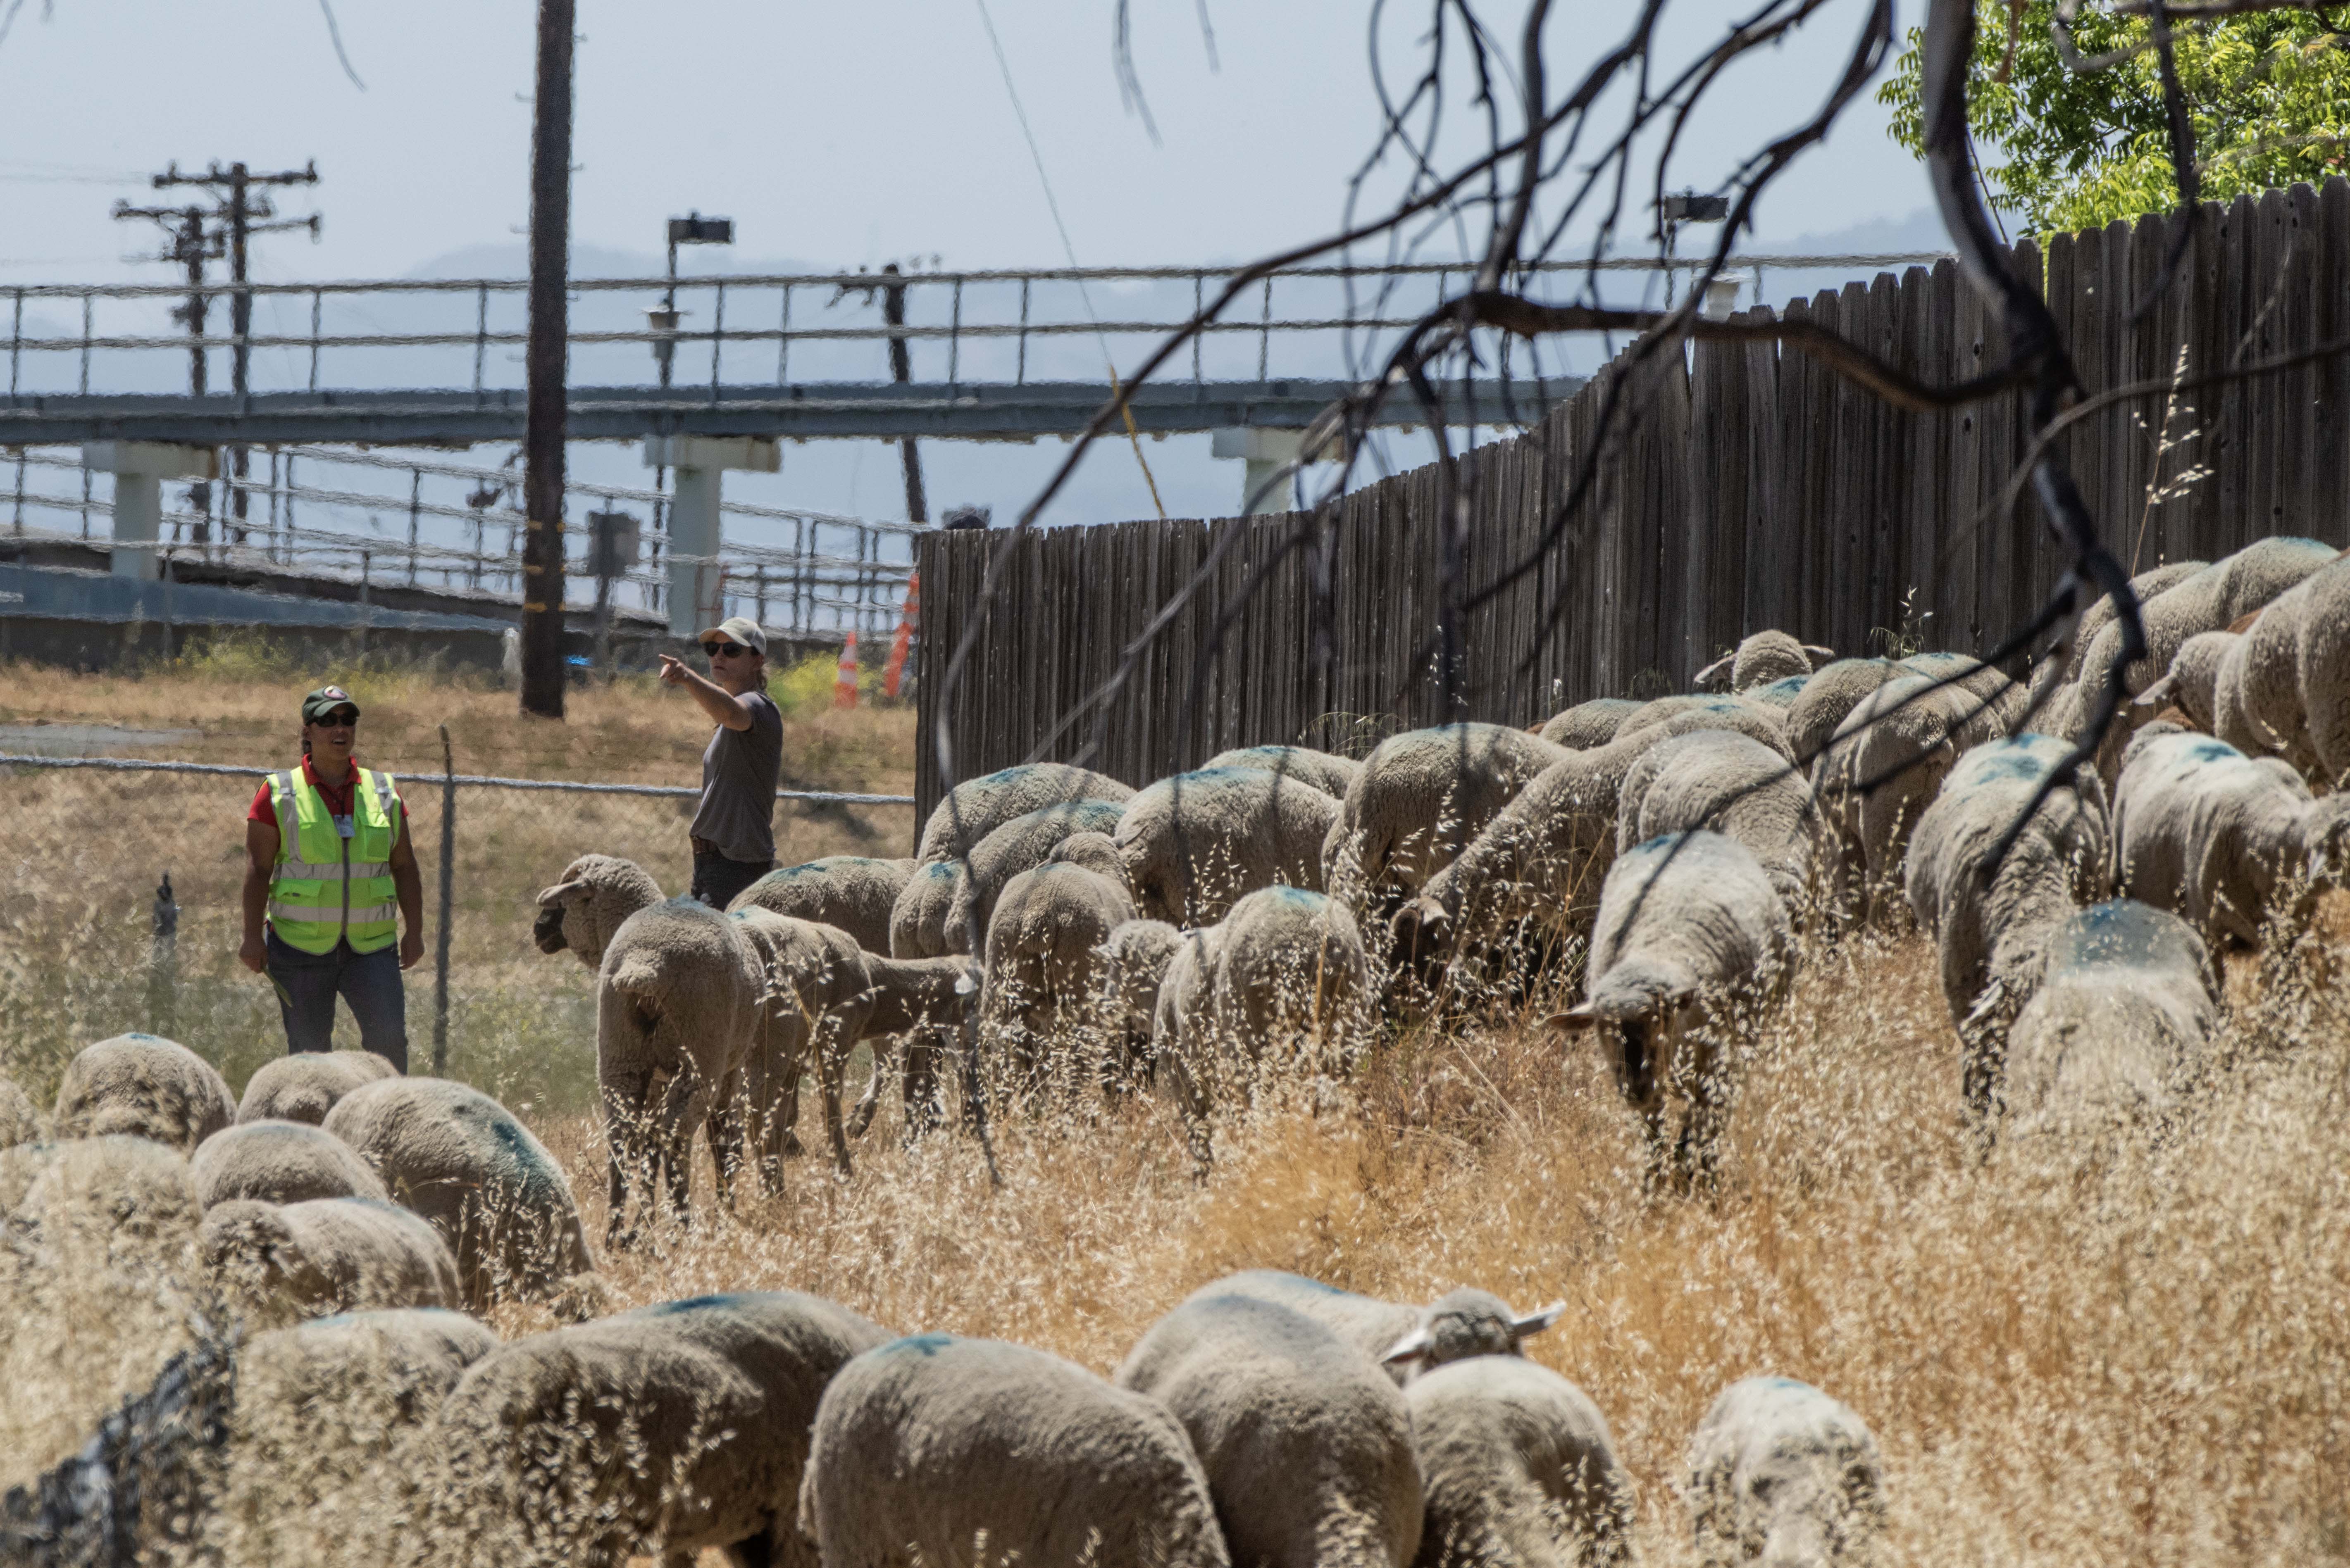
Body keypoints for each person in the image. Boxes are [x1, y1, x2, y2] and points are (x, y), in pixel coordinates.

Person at [238, 685, 424, 1072]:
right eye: (327, 721)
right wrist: (252, 937)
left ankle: (387, 1126)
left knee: (389, 1044)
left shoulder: (384, 791)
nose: (339, 729)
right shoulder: (277, 793)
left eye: (347, 720)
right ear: (307, 732)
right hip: (299, 947)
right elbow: (259, 871)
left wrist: (416, 932)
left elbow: (404, 866)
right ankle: (314, 1130)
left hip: (371, 949)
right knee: (310, 1061)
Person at [660, 616, 784, 909]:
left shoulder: (758, 706)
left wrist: (687, 677)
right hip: (714, 864)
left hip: (737, 868)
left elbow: (731, 713)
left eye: (731, 649)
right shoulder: (734, 713)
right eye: (712, 648)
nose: (718, 655)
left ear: (757, 660)